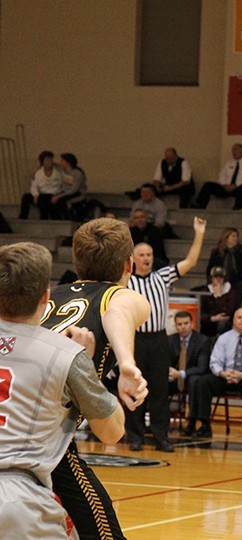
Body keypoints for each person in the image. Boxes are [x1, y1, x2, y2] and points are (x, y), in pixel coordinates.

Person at [0, 242, 126, 539]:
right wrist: (89, 364)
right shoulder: (64, 353)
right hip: (18, 498)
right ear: (45, 298)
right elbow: (112, 432)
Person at [41, 217, 151, 540]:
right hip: (45, 444)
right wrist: (128, 363)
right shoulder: (118, 295)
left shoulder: (47, 297)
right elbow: (120, 310)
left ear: (76, 263)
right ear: (129, 264)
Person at [125, 217, 206, 452]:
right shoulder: (126, 282)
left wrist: (199, 233)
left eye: (149, 254)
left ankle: (161, 436)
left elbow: (190, 262)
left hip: (159, 339)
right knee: (135, 388)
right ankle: (136, 436)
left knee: (160, 390)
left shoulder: (162, 277)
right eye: (142, 255)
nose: (147, 258)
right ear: (133, 258)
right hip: (136, 340)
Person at [190, 307, 242, 441]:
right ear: (233, 320)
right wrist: (223, 373)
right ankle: (204, 425)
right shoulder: (223, 338)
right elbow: (214, 361)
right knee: (202, 382)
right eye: (239, 318)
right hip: (225, 377)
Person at [168, 310, 212, 434]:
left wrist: (181, 373)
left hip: (191, 377)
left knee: (195, 381)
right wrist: (169, 372)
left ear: (192, 324)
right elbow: (164, 361)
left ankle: (192, 422)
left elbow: (202, 367)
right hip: (174, 378)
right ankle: (159, 422)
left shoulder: (203, 341)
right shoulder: (170, 340)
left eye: (186, 323)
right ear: (175, 326)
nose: (183, 327)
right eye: (179, 324)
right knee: (158, 381)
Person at [193, 143, 242, 210]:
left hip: (238, 189)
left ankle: (237, 207)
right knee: (208, 185)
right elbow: (221, 175)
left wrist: (236, 185)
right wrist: (224, 184)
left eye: (236, 150)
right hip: (226, 188)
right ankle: (200, 205)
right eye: (233, 150)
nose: (233, 152)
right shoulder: (229, 163)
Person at [206, 227, 242, 299]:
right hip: (221, 279)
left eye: (236, 236)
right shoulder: (217, 252)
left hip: (237, 280)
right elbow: (210, 268)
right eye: (233, 236)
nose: (236, 238)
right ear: (226, 237)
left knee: (241, 287)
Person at [19, 150, 63, 220]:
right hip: (41, 194)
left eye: (51, 159)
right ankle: (22, 218)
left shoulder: (58, 173)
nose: (50, 161)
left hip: (53, 194)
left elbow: (61, 185)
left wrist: (57, 194)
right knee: (26, 197)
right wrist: (35, 195)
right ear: (42, 162)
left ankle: (44, 217)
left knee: (44, 198)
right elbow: (34, 186)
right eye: (47, 160)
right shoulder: (38, 173)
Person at [199, 266, 238, 337]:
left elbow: (227, 311)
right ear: (211, 278)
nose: (218, 279)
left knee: (223, 324)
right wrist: (211, 318)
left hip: (224, 321)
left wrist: (219, 298)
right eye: (216, 277)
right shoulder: (205, 290)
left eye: (221, 277)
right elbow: (200, 311)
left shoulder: (230, 291)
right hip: (209, 320)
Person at [53, 152, 87, 220]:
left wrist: (58, 196)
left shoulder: (77, 173)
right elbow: (54, 165)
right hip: (65, 192)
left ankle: (68, 220)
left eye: (62, 161)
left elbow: (74, 189)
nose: (60, 162)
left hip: (76, 193)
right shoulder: (62, 170)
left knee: (62, 202)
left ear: (68, 162)